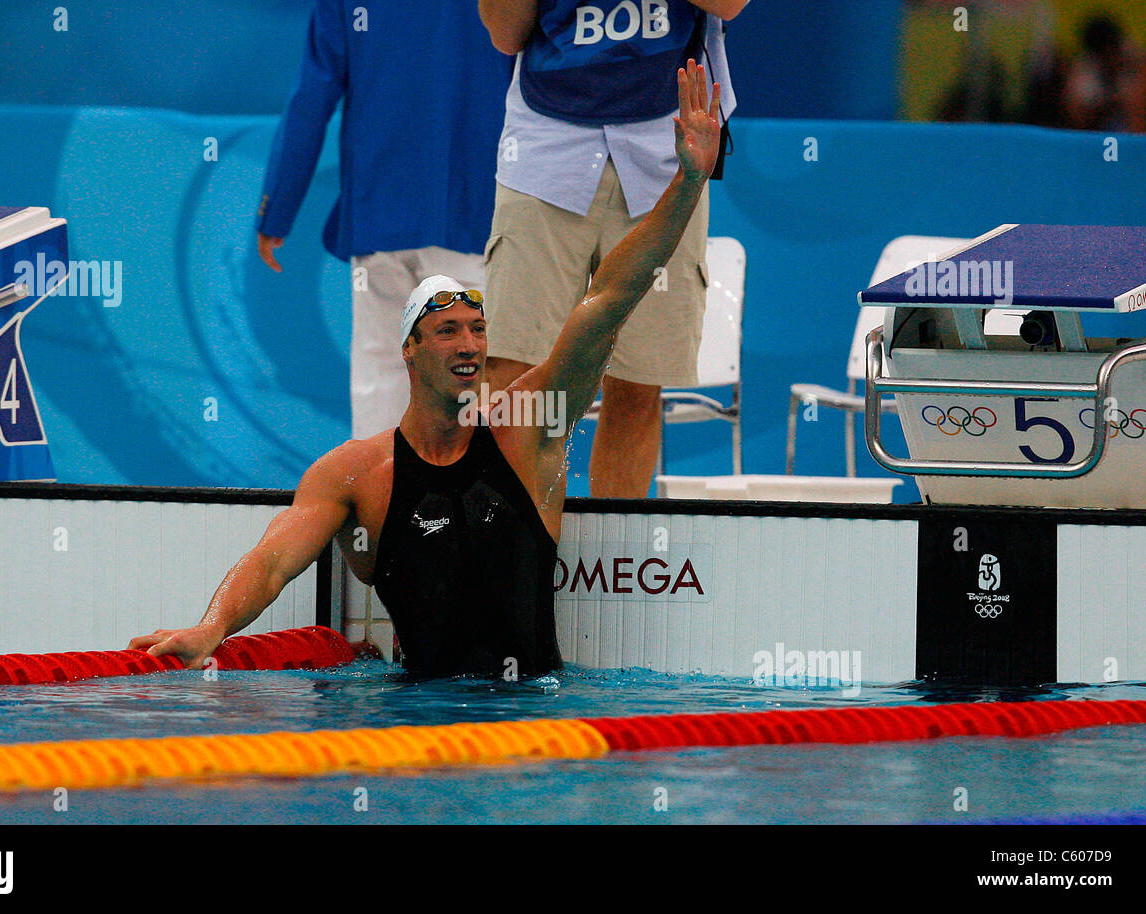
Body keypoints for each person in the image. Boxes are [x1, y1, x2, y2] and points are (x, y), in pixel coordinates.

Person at [131, 60, 724, 677]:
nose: (469, 343)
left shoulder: (527, 431)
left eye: (477, 329)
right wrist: (212, 627)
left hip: (531, 723)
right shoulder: (356, 474)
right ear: (409, 351)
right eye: (447, 331)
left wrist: (687, 183)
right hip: (413, 725)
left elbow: (606, 302)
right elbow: (272, 562)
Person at [478, 0, 747, 498]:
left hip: (668, 145)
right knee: (514, 376)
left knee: (638, 383)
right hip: (544, 148)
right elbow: (504, 33)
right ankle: (513, 554)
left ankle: (614, 565)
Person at [256, 0, 511, 441]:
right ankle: (475, 506)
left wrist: (277, 207)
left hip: (379, 218)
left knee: (381, 373)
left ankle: (375, 503)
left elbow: (311, 99)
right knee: (477, 379)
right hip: (476, 213)